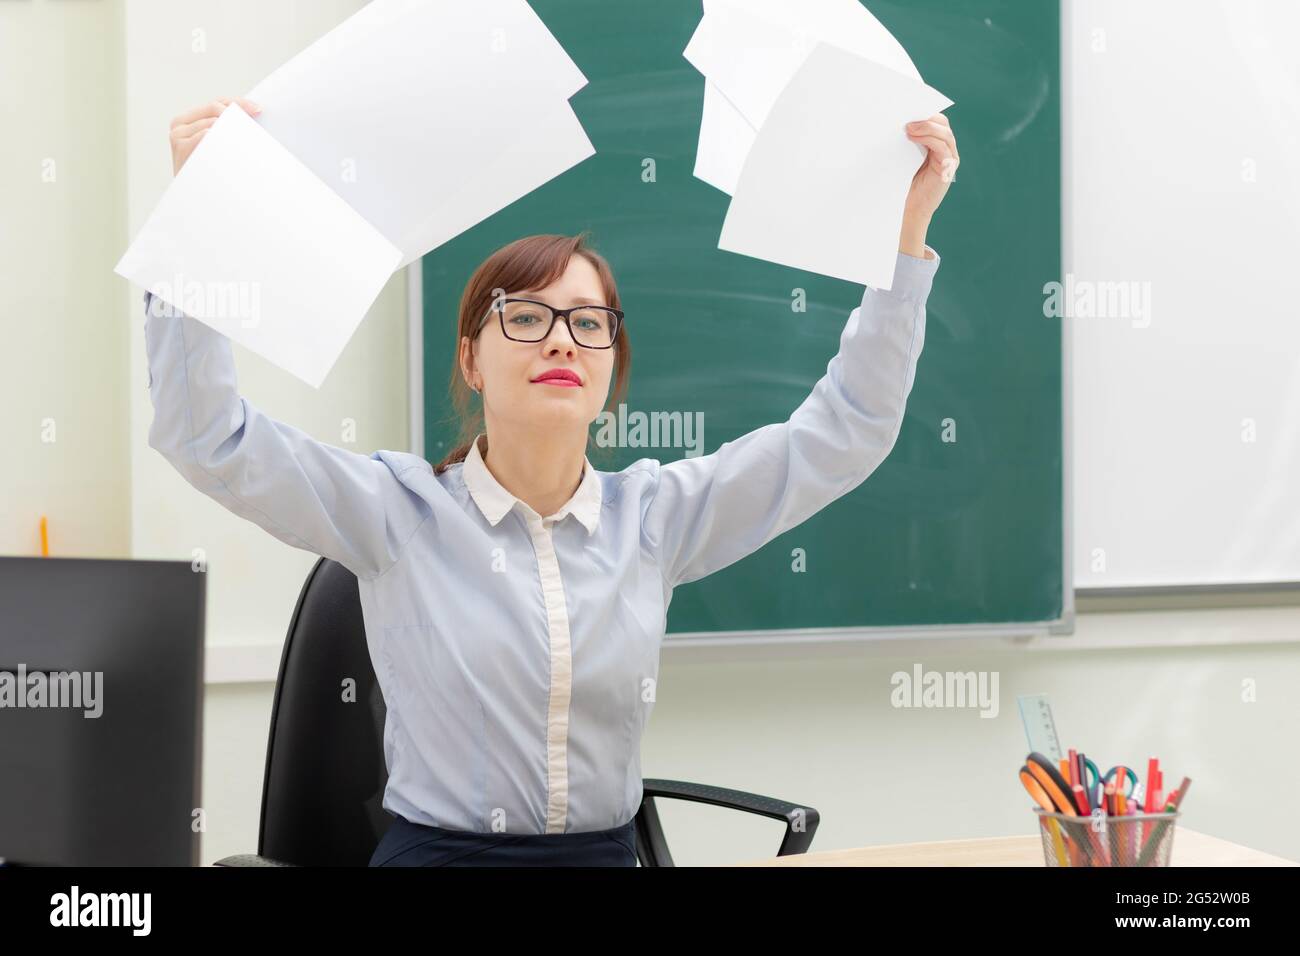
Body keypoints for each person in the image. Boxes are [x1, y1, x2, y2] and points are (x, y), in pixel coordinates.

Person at [148, 96, 958, 866]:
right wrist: (199, 217)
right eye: (527, 318)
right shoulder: (396, 516)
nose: (561, 341)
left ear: (612, 363)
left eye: (588, 322)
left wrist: (904, 238)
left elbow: (846, 432)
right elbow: (210, 437)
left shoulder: (655, 518)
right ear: (472, 357)